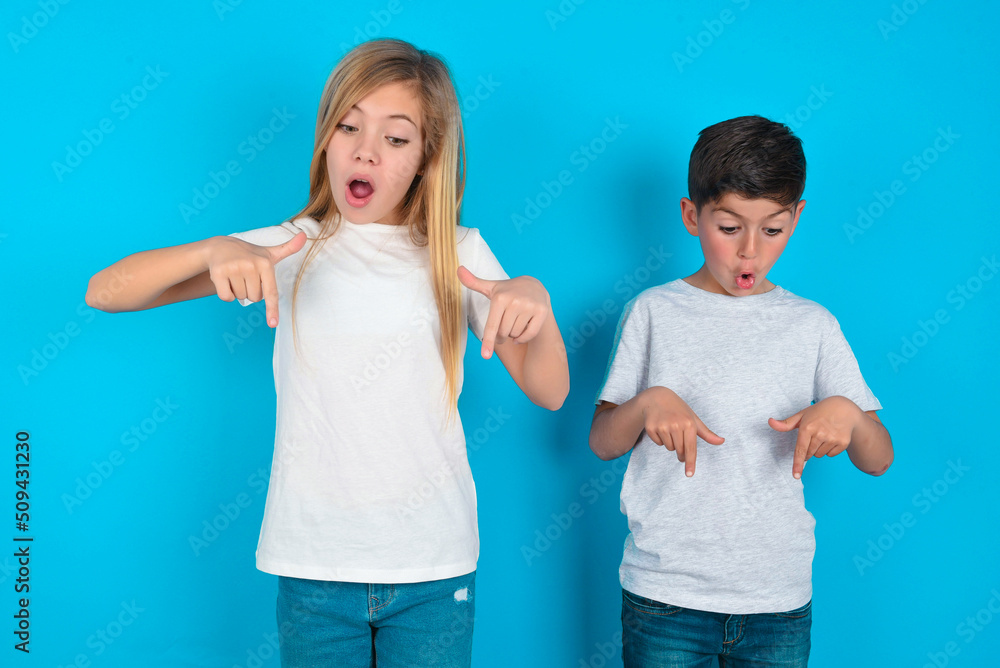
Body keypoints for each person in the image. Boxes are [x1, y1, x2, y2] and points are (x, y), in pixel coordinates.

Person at [86, 38, 569, 667]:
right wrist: (213, 250)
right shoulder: (287, 249)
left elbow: (550, 389)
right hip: (313, 566)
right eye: (349, 126)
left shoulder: (460, 253)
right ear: (325, 138)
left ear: (426, 159)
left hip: (432, 564)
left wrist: (537, 307)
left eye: (396, 138)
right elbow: (105, 292)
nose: (366, 149)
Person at [588, 115, 892, 667]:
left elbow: (878, 458)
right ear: (691, 215)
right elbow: (604, 441)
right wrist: (647, 403)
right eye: (729, 228)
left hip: (777, 602)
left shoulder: (812, 325)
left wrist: (849, 414)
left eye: (771, 230)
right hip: (666, 597)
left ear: (796, 218)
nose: (749, 251)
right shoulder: (653, 313)